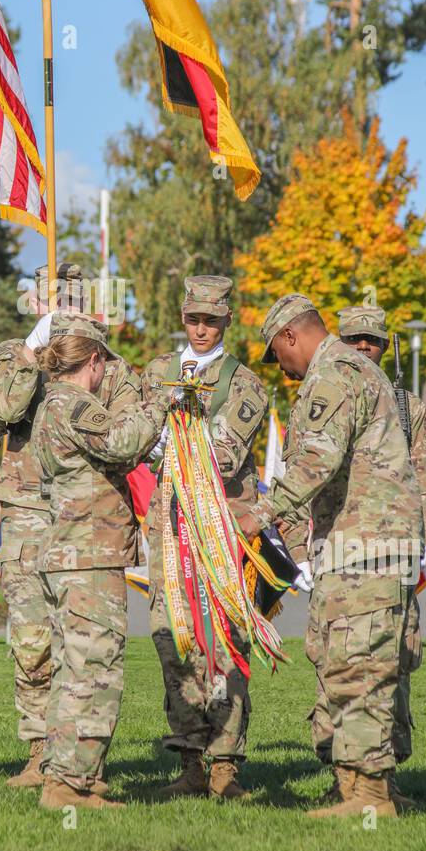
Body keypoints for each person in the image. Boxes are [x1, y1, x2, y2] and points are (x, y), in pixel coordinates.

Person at [245, 294, 423, 819]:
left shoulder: (335, 373)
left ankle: (369, 797)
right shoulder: (347, 371)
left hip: (366, 544)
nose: (283, 368)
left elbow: (317, 460)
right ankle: (356, 787)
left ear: (290, 337)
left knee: (359, 666)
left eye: (279, 355)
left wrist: (260, 512)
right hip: (357, 542)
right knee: (345, 659)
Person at [0, 264, 144, 788]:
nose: (63, 309)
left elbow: (126, 432)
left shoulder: (109, 365)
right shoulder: (11, 355)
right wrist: (32, 356)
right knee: (33, 636)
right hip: (29, 509)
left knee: (82, 643)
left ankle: (75, 762)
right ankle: (39, 752)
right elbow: (3, 409)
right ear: (35, 304)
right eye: (54, 300)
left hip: (85, 513)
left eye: (73, 300)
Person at [31, 313, 167, 811]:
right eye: (104, 364)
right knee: (94, 672)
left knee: (72, 671)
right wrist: (159, 406)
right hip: (87, 557)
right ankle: (69, 785)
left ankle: (67, 778)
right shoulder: (73, 405)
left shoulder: (52, 404)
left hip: (72, 554)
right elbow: (123, 442)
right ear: (92, 361)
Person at [141, 275, 269, 800]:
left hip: (223, 530)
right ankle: (191, 757)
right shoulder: (155, 374)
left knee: (225, 642)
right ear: (182, 317)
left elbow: (223, 454)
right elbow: (131, 433)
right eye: (193, 318)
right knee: (175, 638)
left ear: (226, 322)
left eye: (210, 320)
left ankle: (225, 764)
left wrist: (160, 438)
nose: (200, 328)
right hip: (171, 530)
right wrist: (149, 441)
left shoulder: (245, 384)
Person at [337, 305, 426, 803]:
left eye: (371, 341)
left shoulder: (407, 408)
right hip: (338, 546)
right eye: (353, 339)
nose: (362, 348)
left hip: (393, 550)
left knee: (394, 660)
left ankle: (384, 779)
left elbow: (425, 478)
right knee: (336, 659)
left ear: (384, 346)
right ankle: (345, 778)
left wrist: (420, 541)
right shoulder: (327, 396)